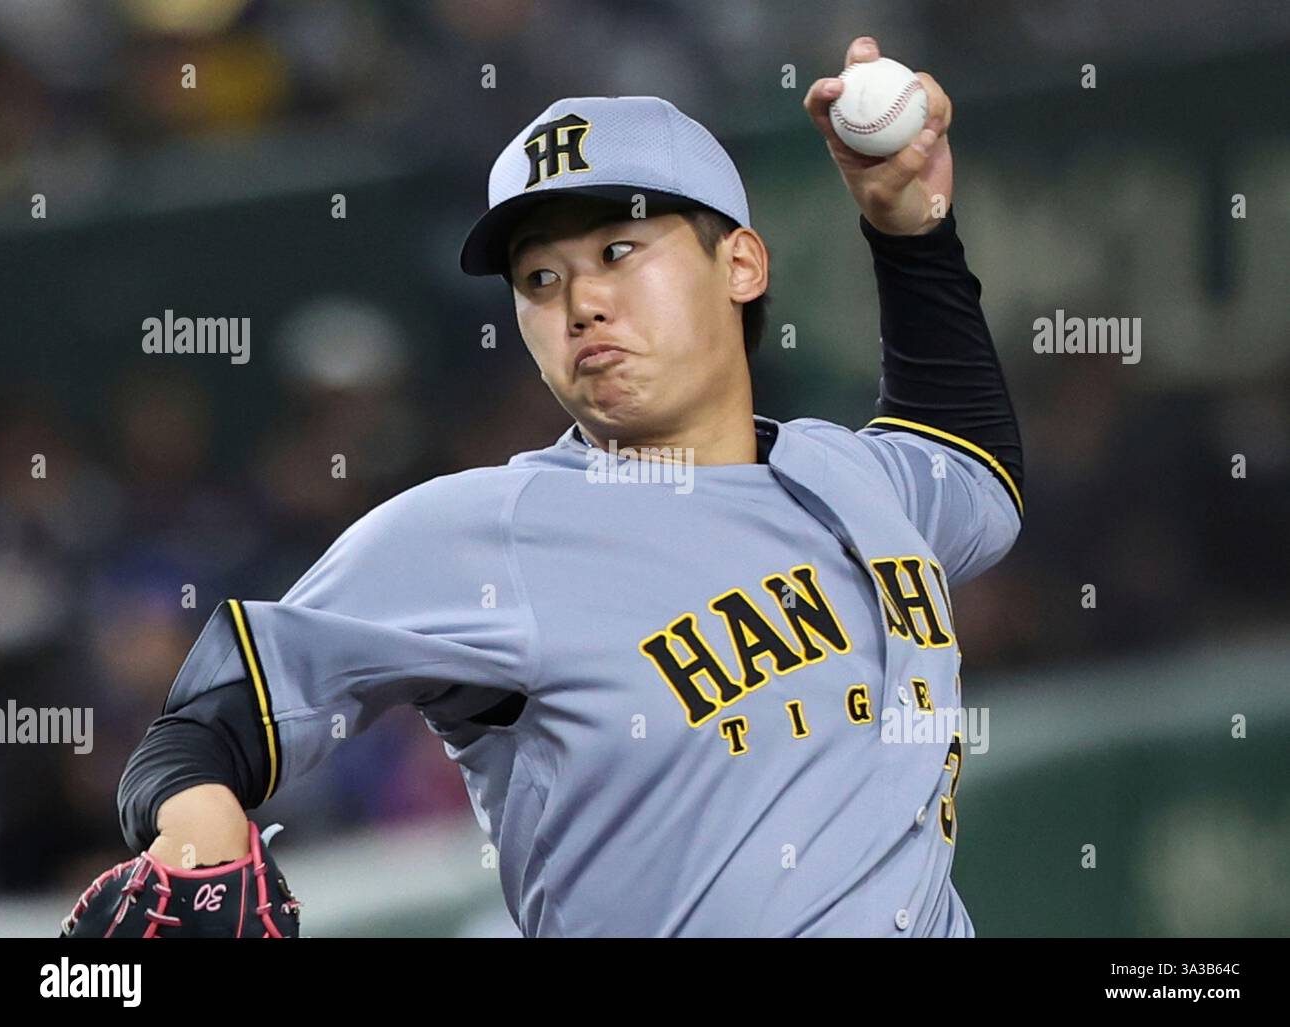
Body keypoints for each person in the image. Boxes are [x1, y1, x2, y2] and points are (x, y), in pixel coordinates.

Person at [68, 35, 1022, 938]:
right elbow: (203, 727)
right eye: (538, 278)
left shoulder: (856, 475)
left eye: (618, 250)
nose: (581, 301)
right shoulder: (485, 532)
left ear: (739, 262)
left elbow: (970, 462)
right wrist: (198, 824)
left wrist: (909, 231)